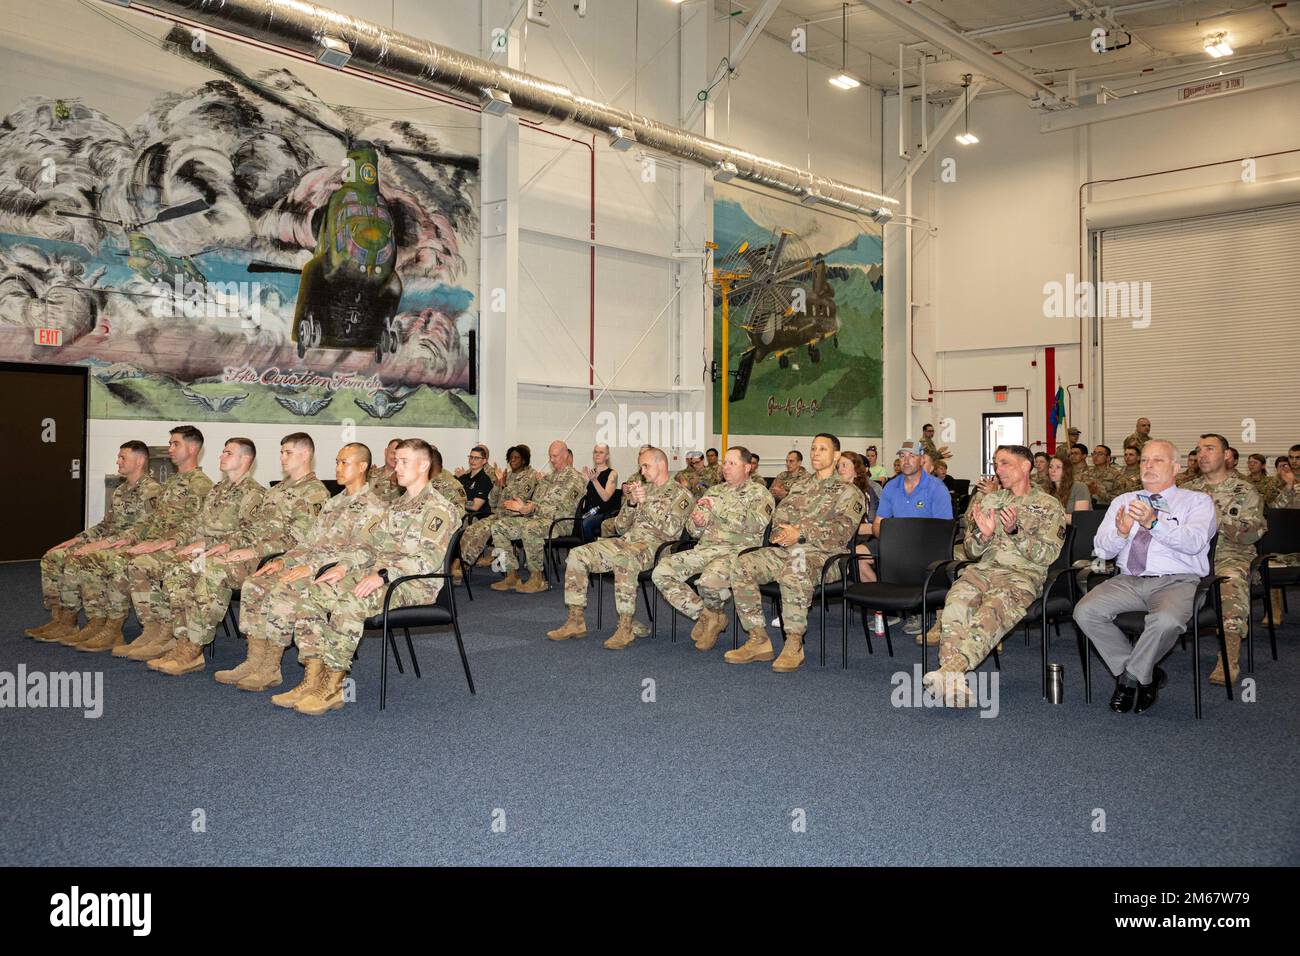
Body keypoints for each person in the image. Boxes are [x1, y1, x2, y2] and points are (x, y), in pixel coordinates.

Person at [252, 439, 459, 715]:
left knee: (351, 602)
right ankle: (313, 679)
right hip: (378, 576)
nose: (396, 467)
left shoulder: (439, 508)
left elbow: (426, 559)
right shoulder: (395, 508)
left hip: (413, 584)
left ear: (423, 465)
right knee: (311, 592)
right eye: (396, 461)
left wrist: (383, 575)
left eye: (404, 461)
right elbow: (367, 546)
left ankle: (334, 686)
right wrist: (344, 567)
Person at [144, 434, 330, 674]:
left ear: (305, 455)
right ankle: (183, 641)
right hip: (249, 554)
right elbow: (254, 529)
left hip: (273, 561)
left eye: (288, 453)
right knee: (182, 570)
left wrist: (252, 550)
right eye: (281, 452)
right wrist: (229, 544)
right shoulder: (278, 490)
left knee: (211, 571)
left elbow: (298, 541)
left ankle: (195, 648)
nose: (281, 457)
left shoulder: (314, 493)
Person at [218, 443, 386, 692]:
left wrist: (310, 568)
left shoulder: (374, 507)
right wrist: (283, 561)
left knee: (284, 588)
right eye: (337, 462)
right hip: (312, 565)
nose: (338, 468)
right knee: (256, 583)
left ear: (362, 467)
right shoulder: (333, 503)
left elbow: (361, 553)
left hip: (337, 573)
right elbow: (308, 543)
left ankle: (270, 667)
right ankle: (255, 661)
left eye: (344, 463)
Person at [1073, 440, 1216, 715]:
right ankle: (1144, 674)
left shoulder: (1197, 502)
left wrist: (1153, 523)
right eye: (1144, 461)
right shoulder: (1123, 501)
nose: (1148, 466)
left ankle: (1129, 680)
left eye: (1157, 460)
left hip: (1176, 580)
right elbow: (1102, 550)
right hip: (1128, 580)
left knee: (1166, 621)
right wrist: (1122, 533)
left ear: (1176, 467)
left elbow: (1194, 542)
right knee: (1085, 611)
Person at [923, 445, 1066, 707]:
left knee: (991, 610)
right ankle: (954, 684)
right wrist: (983, 535)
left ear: (1026, 466)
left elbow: (1048, 556)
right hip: (984, 570)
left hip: (1021, 575)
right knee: (956, 602)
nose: (998, 470)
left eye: (1004, 463)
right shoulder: (990, 501)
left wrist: (1015, 532)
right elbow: (971, 549)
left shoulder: (1048, 505)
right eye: (996, 464)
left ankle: (949, 671)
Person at [59, 426, 213, 651]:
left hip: (180, 548)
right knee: (95, 557)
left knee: (126, 562)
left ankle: (151, 630)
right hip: (156, 543)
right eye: (170, 443)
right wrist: (124, 538)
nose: (169, 449)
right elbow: (151, 522)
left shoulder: (201, 485)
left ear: (192, 448)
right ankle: (105, 624)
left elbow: (197, 528)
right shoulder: (170, 483)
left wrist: (159, 543)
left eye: (175, 444)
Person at [724, 433, 866, 672]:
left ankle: (793, 643)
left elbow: (842, 531)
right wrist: (782, 533)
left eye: (822, 449)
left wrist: (800, 532)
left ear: (836, 455)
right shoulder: (800, 486)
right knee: (742, 564)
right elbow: (780, 515)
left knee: (794, 569)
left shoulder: (849, 492)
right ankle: (758, 639)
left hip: (824, 557)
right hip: (787, 550)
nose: (816, 453)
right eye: (813, 448)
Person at [116, 438, 266, 658]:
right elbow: (195, 523)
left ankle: (186, 642)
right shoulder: (218, 489)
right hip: (202, 551)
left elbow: (249, 535)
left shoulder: (254, 493)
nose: (221, 456)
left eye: (228, 453)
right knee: (144, 563)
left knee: (181, 570)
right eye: (222, 452)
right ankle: (160, 632)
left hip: (225, 555)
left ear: (245, 459)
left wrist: (207, 544)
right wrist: (174, 540)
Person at [548, 446, 693, 648]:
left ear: (661, 464)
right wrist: (632, 504)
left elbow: (669, 531)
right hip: (628, 541)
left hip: (656, 547)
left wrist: (646, 503)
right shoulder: (643, 488)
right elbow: (620, 526)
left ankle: (625, 627)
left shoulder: (681, 494)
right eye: (641, 466)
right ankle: (575, 620)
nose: (642, 471)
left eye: (646, 466)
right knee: (578, 554)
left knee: (624, 558)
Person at [27, 441, 162, 642]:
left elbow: (147, 530)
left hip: (134, 547)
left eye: (122, 457)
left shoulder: (153, 491)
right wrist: (78, 539)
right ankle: (64, 620)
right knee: (52, 557)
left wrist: (102, 544)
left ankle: (103, 626)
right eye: (119, 457)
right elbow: (105, 525)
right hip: (110, 542)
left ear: (140, 460)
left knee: (82, 559)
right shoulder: (121, 491)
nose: (118, 461)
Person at [651, 446, 774, 651]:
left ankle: (712, 618)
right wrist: (698, 523)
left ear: (747, 467)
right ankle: (709, 616)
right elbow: (691, 528)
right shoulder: (714, 491)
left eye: (732, 463)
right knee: (662, 571)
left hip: (737, 552)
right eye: (725, 463)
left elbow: (757, 523)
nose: (725, 467)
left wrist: (718, 510)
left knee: (709, 581)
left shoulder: (759, 493)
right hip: (705, 549)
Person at [1184, 434, 1266, 685]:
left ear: (1227, 455)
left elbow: (1254, 532)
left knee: (1229, 584)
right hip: (1191, 556)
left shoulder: (1244, 490)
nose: (1202, 455)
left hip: (1230, 555)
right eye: (1199, 450)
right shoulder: (1187, 490)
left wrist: (1217, 516)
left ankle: (1228, 658)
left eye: (1210, 449)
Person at [473, 441, 585, 593]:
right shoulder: (548, 478)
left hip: (558, 523)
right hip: (536, 518)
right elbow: (536, 502)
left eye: (555, 456)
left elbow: (560, 511)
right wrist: (523, 506)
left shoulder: (574, 479)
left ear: (566, 455)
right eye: (550, 456)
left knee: (529, 528)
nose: (552, 460)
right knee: (499, 526)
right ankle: (511, 574)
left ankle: (537, 578)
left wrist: (530, 508)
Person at [875, 438, 954, 634]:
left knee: (913, 560)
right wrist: (889, 541)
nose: (906, 460)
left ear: (922, 460)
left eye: (912, 456)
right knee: (859, 558)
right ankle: (891, 607)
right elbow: (878, 524)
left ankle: (916, 609)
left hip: (926, 546)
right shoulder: (891, 487)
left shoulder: (936, 488)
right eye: (902, 456)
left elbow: (943, 531)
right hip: (894, 544)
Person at [458, 445, 540, 574]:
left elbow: (518, 500)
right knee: (471, 529)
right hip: (499, 515)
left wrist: (504, 484)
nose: (512, 460)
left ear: (524, 460)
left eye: (516, 458)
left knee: (482, 531)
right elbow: (492, 501)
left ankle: (463, 566)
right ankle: (460, 564)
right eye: (510, 458)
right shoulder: (508, 475)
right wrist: (498, 484)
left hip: (516, 518)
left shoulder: (531, 476)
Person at [837, 451, 879, 583]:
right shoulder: (834, 491)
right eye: (838, 466)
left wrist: (850, 528)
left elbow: (872, 526)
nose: (840, 469)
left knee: (856, 557)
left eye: (844, 465)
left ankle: (879, 599)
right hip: (842, 541)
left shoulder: (867, 491)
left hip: (866, 540)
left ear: (856, 468)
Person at [578, 443, 620, 543]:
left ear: (607, 456)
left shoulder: (612, 473)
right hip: (588, 511)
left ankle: (590, 550)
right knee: (574, 521)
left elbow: (606, 497)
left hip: (603, 513)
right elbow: (581, 495)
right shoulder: (590, 472)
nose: (597, 455)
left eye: (601, 452)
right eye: (595, 452)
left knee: (586, 523)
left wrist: (594, 481)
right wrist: (584, 481)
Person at [1047, 453, 1092, 522]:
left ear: (1066, 471)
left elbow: (1079, 519)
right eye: (1050, 467)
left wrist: (1051, 515)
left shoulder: (1080, 488)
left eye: (1058, 467)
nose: (1053, 470)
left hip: (1078, 531)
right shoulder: (1047, 489)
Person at [456, 445, 494, 519]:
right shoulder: (464, 477)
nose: (472, 461)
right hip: (460, 513)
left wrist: (456, 503)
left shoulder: (484, 480)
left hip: (475, 518)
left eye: (477, 458)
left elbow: (475, 507)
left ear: (484, 461)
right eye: (471, 457)